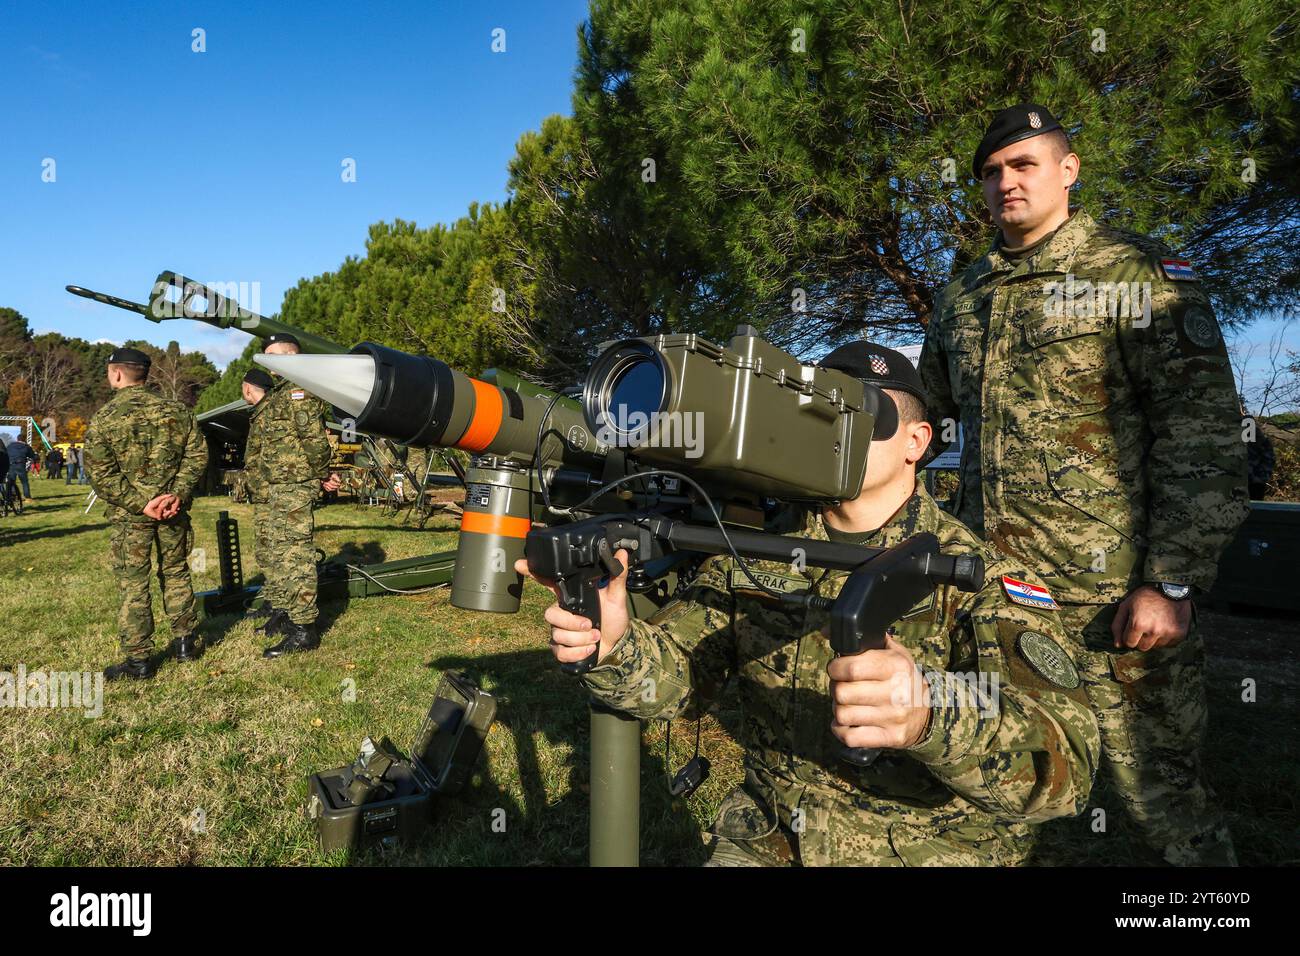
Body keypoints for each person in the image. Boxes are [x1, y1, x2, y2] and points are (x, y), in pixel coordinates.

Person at [518, 343, 1100, 866]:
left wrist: (930, 712)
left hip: (921, 848)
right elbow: (682, 683)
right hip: (767, 836)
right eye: (818, 412)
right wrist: (617, 646)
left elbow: (1067, 771)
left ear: (916, 443)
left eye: (863, 414)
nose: (834, 431)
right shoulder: (759, 550)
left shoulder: (978, 578)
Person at [918, 104, 1249, 865]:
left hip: (1111, 602)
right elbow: (924, 419)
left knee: (1160, 798)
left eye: (1024, 164)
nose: (1006, 182)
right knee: (994, 787)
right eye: (993, 172)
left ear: (1068, 170)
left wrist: (1170, 581)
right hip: (992, 594)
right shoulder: (965, 295)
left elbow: (1200, 438)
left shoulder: (1137, 275)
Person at [83, 347, 209, 680]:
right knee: (177, 571)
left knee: (133, 584)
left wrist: (141, 504)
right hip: (173, 512)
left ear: (117, 373)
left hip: (132, 517)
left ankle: (138, 661)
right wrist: (175, 495)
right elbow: (197, 456)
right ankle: (185, 642)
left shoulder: (105, 418)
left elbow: (100, 472)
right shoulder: (177, 411)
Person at [242, 337, 342, 658]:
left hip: (295, 485)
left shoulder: (299, 390)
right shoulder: (283, 392)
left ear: (291, 355)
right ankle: (286, 613)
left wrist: (323, 472)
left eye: (271, 356)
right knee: (282, 552)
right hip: (279, 486)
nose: (266, 362)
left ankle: (304, 629)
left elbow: (313, 439)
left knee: (295, 556)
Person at [6, 437, 37, 502]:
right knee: (24, 482)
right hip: (20, 464)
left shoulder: (10, 446)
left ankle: (12, 497)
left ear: (17, 439)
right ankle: (27, 498)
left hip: (11, 465)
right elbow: (32, 456)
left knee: (11, 482)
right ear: (25, 440)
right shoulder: (26, 446)